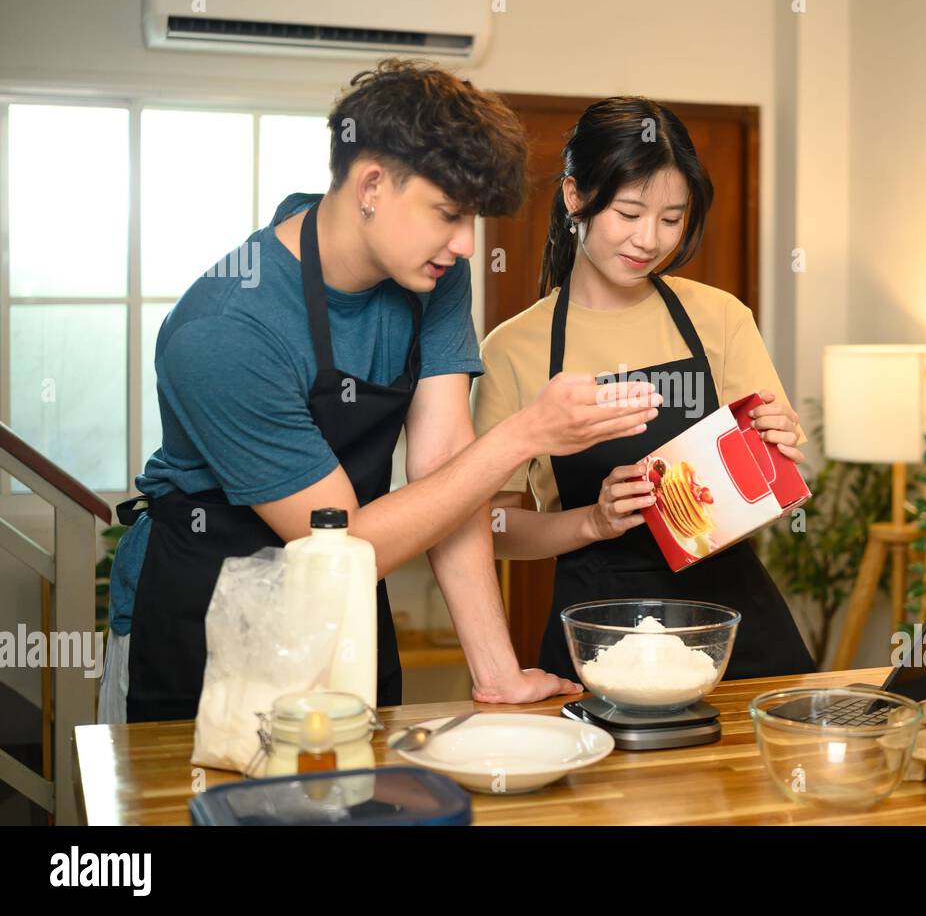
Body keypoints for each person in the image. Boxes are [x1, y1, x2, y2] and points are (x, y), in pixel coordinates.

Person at [101, 61, 661, 723]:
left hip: (343, 605)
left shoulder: (430, 273)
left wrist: (497, 673)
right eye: (449, 214)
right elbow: (337, 543)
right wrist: (525, 434)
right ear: (370, 185)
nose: (464, 245)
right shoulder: (223, 329)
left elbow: (447, 470)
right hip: (202, 611)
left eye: (472, 219)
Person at [471, 96, 816, 682]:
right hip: (602, 640)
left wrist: (773, 466)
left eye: (671, 218)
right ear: (575, 195)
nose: (649, 240)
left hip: (734, 629)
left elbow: (778, 494)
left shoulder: (720, 317)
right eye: (629, 214)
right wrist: (593, 522)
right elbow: (493, 532)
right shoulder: (513, 348)